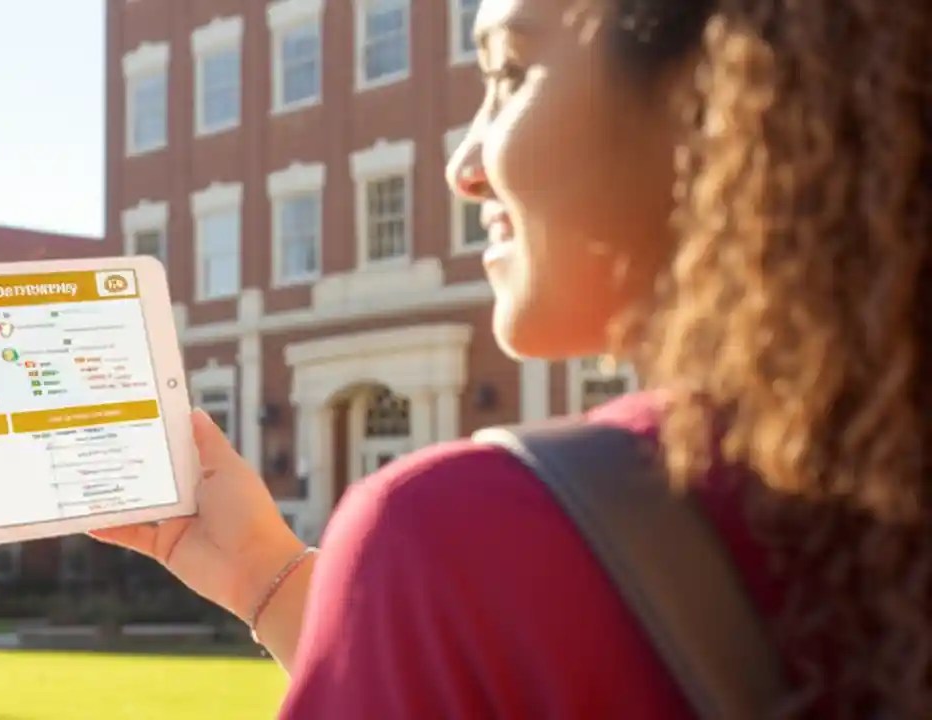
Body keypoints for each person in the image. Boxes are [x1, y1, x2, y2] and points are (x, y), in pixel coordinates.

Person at [92, 0, 932, 716]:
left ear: (714, 96)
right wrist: (272, 579)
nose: (463, 165)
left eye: (511, 74)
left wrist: (403, 589)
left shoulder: (444, 528)